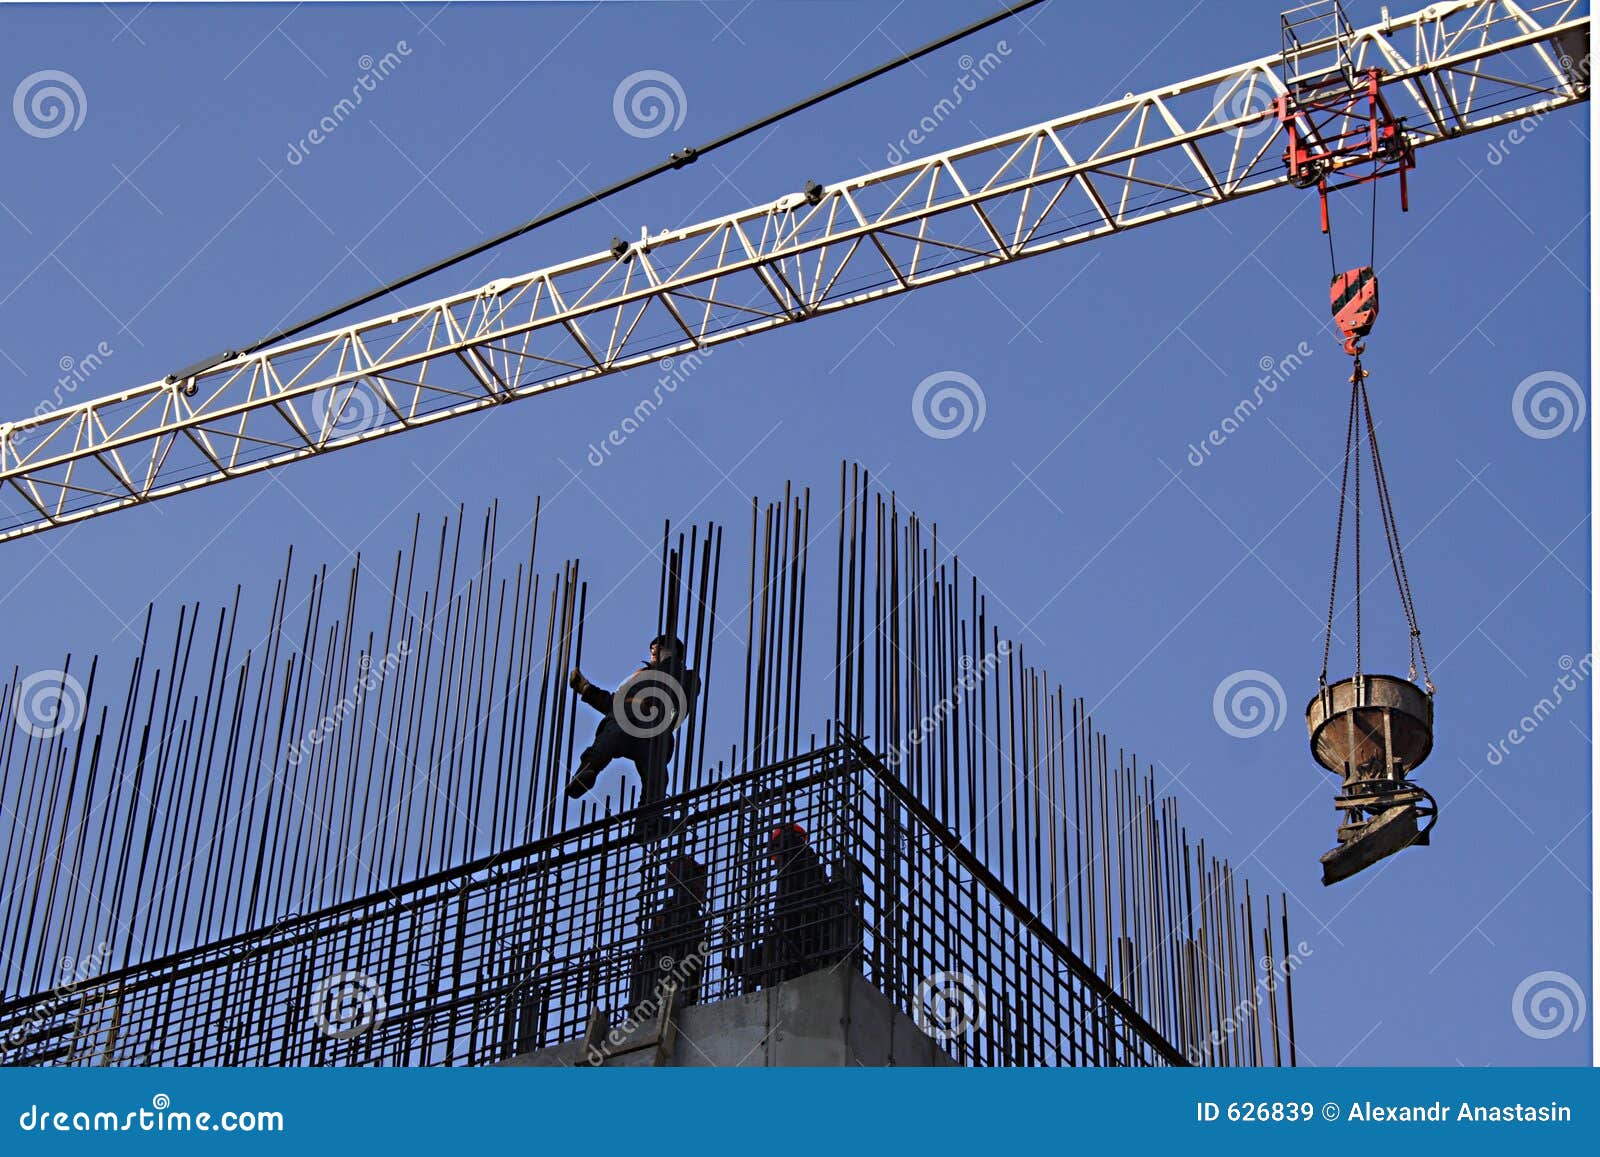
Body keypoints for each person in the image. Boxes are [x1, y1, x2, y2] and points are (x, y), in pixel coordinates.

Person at [566, 634, 699, 841]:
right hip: (641, 726)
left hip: (642, 726)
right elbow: (614, 704)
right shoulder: (647, 676)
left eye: (660, 646)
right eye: (652, 647)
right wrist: (586, 689)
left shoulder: (679, 674)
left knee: (651, 773)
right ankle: (588, 774)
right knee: (618, 750)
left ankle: (645, 819)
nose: (653, 648)